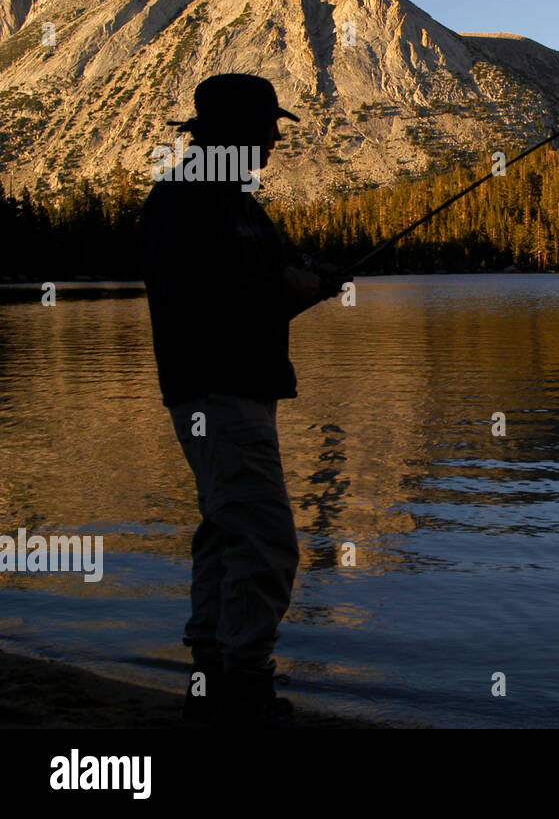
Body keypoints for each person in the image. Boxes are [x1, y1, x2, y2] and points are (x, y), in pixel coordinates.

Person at [142, 73, 349, 727]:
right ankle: (245, 687)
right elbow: (218, 304)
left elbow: (266, 280)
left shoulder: (230, 201)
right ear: (234, 134)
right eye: (268, 129)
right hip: (215, 393)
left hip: (240, 391)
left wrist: (312, 279)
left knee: (226, 534)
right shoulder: (188, 203)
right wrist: (297, 287)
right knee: (266, 542)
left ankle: (208, 678)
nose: (274, 141)